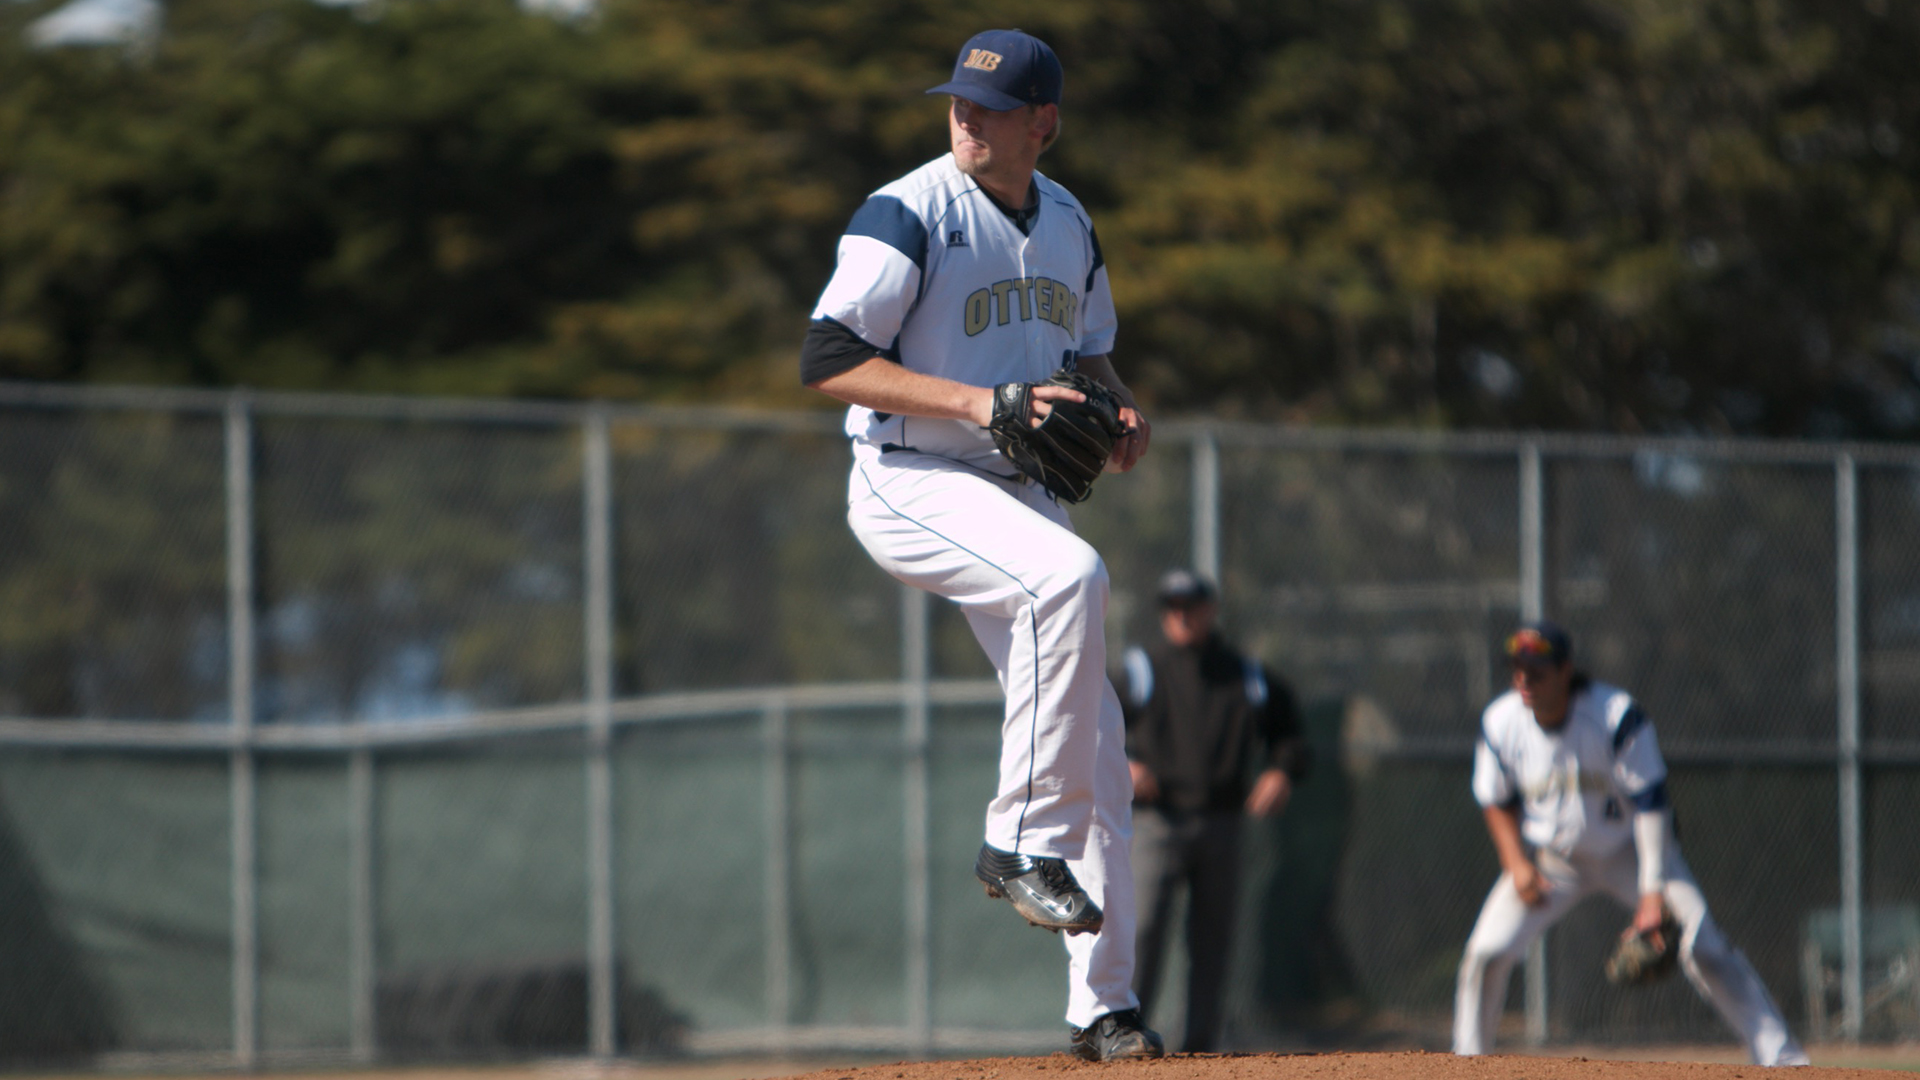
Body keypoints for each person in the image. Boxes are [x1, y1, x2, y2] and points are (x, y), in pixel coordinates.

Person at [800, 28, 1160, 1062]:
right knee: (1070, 577)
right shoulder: (908, 210)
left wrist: (1125, 419)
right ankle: (1017, 844)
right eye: (958, 98)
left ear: (1043, 123)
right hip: (908, 476)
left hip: (1011, 493)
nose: (966, 115)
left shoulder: (1070, 223)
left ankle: (1105, 1011)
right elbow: (827, 355)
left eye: (991, 106)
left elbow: (1096, 360)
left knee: (1100, 759)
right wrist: (980, 401)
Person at [1453, 621, 1809, 1066]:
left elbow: (1652, 804)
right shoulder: (1501, 721)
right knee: (1485, 955)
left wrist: (1651, 894)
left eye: (1537, 669)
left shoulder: (1615, 715)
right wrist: (1515, 865)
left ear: (1565, 671)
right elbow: (1496, 800)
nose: (1524, 678)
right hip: (1553, 861)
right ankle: (1465, 1066)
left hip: (1633, 854)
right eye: (1518, 668)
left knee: (1704, 947)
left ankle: (1784, 1062)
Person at [1119, 569, 1309, 1052]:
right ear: (1163, 613)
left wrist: (1281, 770)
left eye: (1191, 605)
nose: (1181, 614)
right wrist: (1124, 763)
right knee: (1142, 932)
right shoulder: (1142, 670)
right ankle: (1124, 1037)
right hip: (1157, 823)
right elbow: (1093, 727)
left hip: (1223, 822)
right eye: (1172, 606)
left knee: (1212, 943)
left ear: (1210, 610)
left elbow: (1291, 732)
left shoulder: (1244, 674)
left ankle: (1199, 1049)